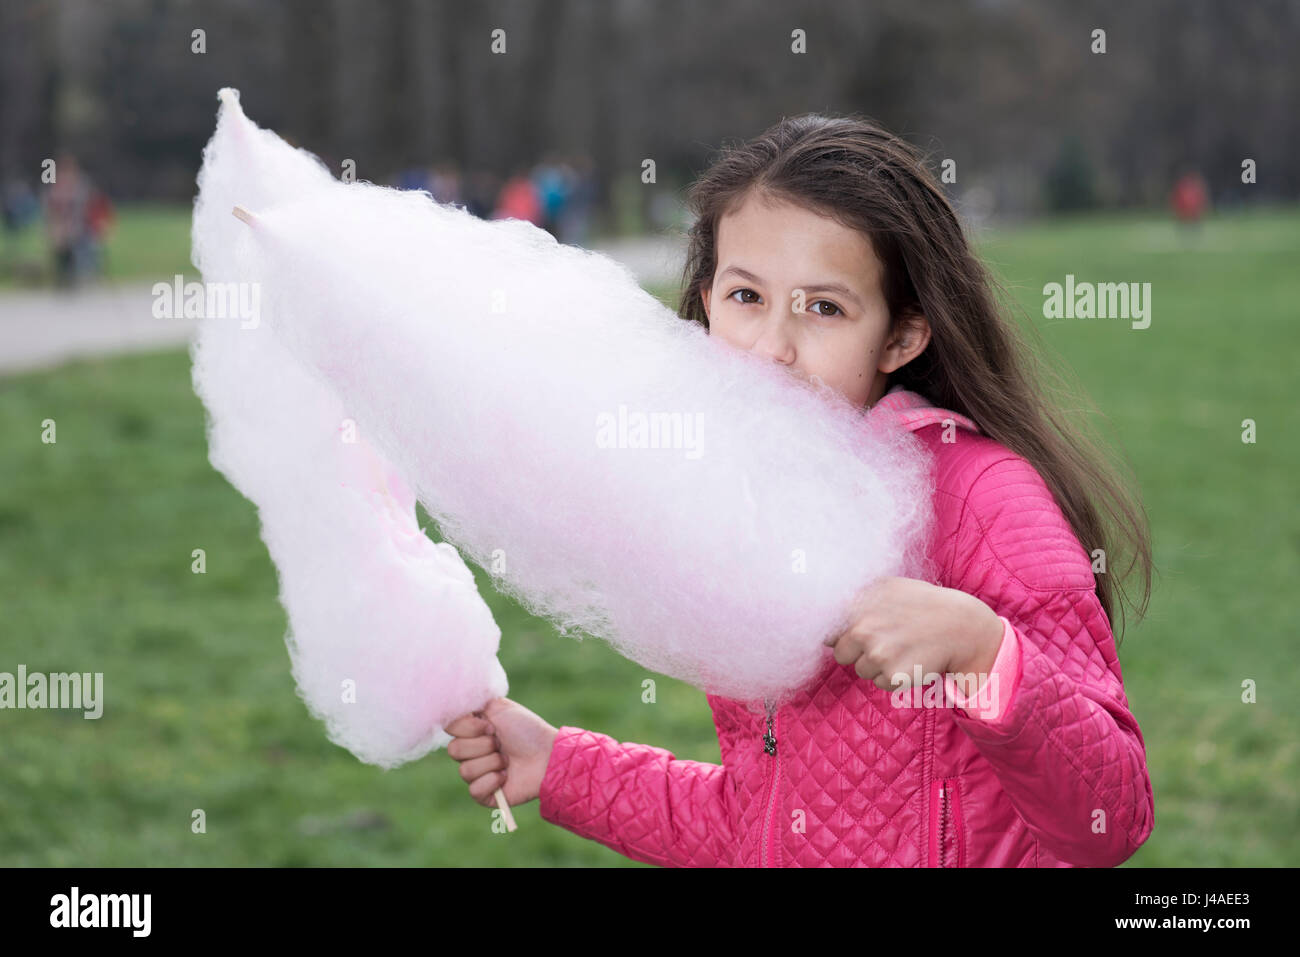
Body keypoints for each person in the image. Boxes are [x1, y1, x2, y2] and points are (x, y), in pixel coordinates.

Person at [446, 114, 1155, 867]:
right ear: (705, 299)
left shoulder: (982, 497)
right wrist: (559, 765)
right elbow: (763, 822)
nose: (772, 348)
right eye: (746, 296)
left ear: (902, 335)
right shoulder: (747, 510)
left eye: (824, 308)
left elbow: (1109, 817)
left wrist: (984, 653)